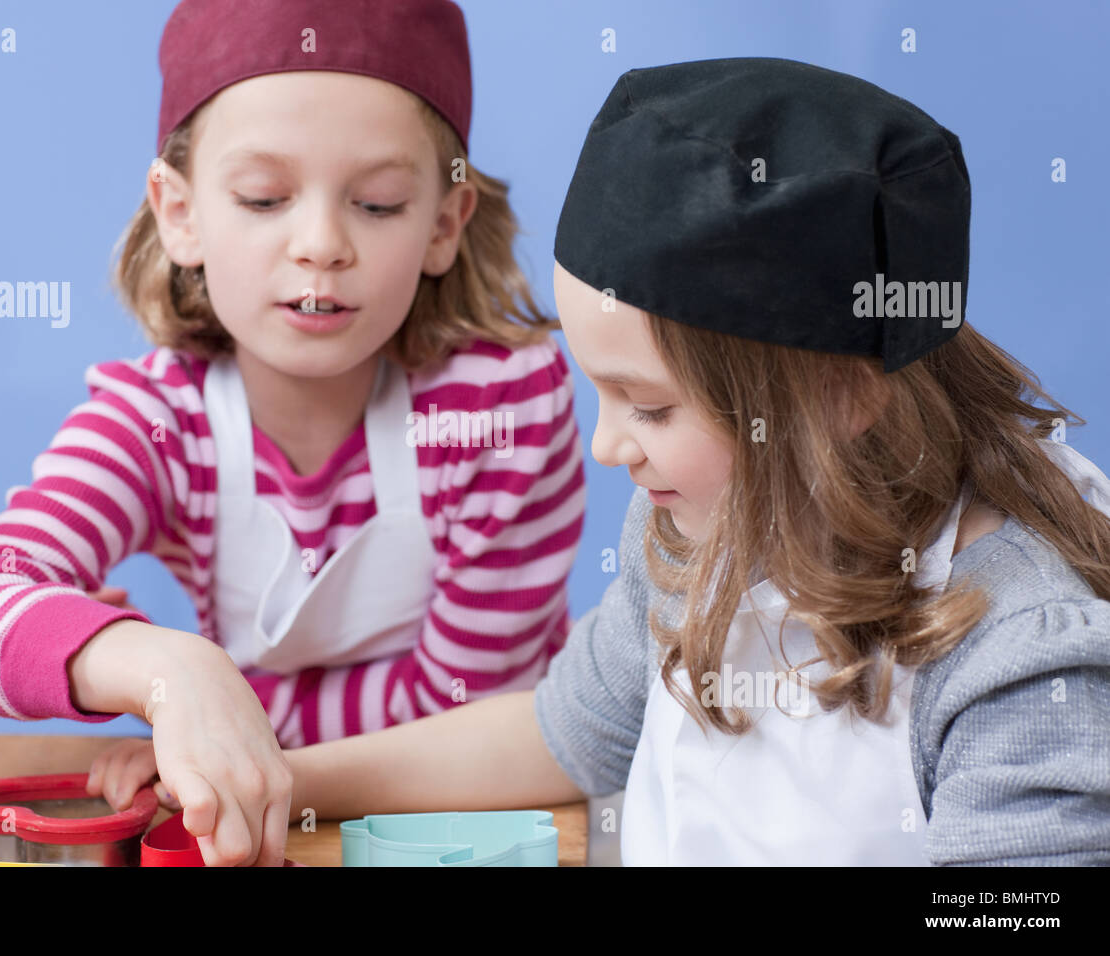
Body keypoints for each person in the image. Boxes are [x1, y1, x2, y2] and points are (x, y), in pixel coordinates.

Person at [280, 58, 1110, 865]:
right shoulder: (695, 521)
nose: (608, 446)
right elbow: (564, 737)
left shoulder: (1022, 655)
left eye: (652, 407)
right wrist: (285, 781)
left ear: (844, 397)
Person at [0, 0, 586, 867]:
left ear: (443, 225)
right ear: (179, 212)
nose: (321, 244)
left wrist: (235, 740)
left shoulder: (501, 412)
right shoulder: (157, 424)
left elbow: (460, 714)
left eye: (377, 204)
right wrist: (164, 669)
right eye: (264, 197)